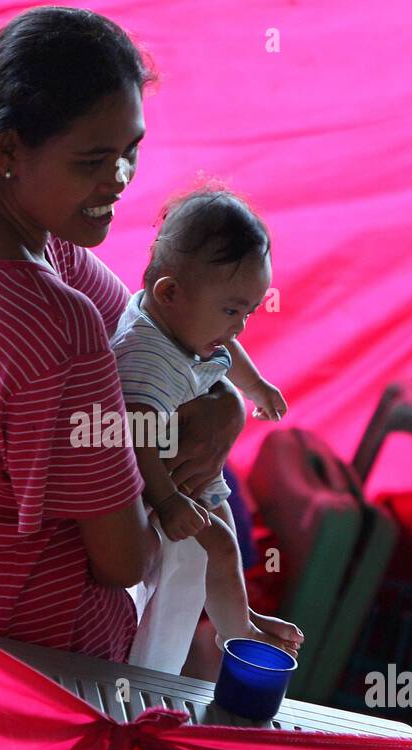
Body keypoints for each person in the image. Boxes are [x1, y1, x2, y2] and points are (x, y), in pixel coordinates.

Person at [0, 7, 243, 662]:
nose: (117, 182)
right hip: (4, 669)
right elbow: (123, 560)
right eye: (92, 161)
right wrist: (167, 461)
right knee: (203, 648)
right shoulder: (55, 322)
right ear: (9, 150)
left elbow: (159, 335)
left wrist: (222, 402)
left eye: (129, 153)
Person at [112, 187, 303, 673]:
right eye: (231, 310)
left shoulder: (184, 324)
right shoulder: (147, 357)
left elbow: (224, 353)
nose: (238, 328)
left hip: (183, 473)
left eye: (247, 313)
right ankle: (235, 628)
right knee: (217, 543)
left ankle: (239, 618)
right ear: (170, 292)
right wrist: (170, 501)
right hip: (151, 485)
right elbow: (136, 434)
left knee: (226, 539)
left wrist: (256, 387)